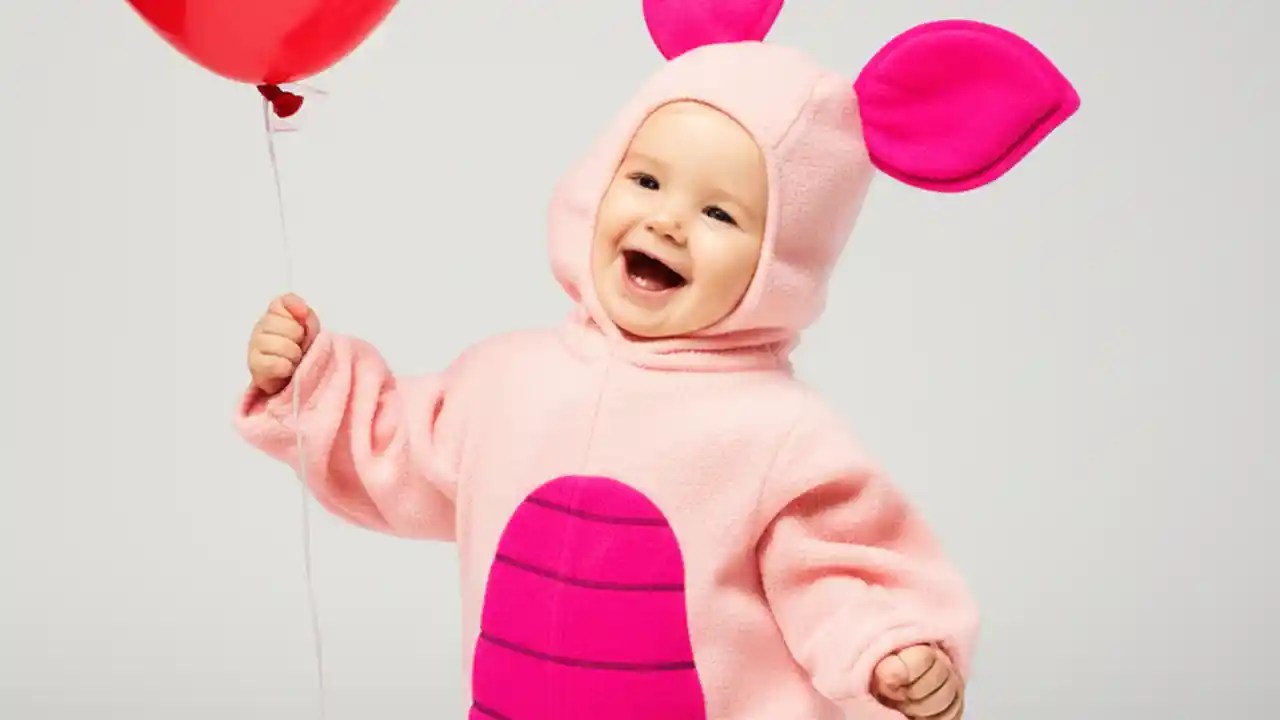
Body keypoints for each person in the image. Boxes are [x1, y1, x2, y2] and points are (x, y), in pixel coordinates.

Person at [235, 7, 1078, 719]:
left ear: (784, 258)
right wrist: (307, 381)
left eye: (720, 213)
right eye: (645, 182)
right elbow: (395, 448)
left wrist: (889, 650)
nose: (668, 222)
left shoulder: (779, 434)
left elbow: (837, 570)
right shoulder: (508, 381)